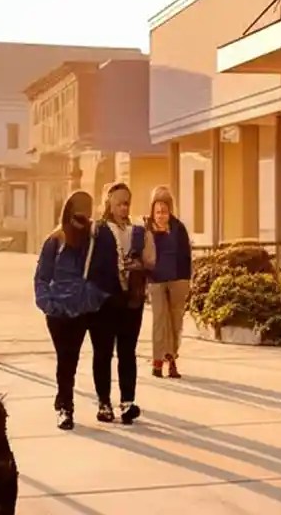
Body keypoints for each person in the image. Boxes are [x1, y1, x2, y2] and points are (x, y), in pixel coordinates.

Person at [33, 190, 113, 430]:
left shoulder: (94, 242)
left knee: (76, 357)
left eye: (85, 218)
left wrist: (90, 299)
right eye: (76, 217)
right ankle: (64, 406)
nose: (81, 223)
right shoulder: (54, 242)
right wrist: (49, 304)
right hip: (58, 313)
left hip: (82, 309)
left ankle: (89, 402)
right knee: (65, 360)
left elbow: (104, 275)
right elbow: (41, 278)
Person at [88, 182, 154, 425]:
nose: (123, 207)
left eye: (126, 202)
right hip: (104, 300)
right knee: (103, 353)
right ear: (108, 203)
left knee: (127, 352)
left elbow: (150, 262)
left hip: (131, 300)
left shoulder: (137, 231)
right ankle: (103, 402)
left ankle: (127, 401)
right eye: (118, 203)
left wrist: (141, 266)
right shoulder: (98, 229)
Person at [145, 186, 192, 379]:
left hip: (177, 279)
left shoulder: (178, 228)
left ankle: (171, 359)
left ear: (170, 210)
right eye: (157, 212)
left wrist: (188, 279)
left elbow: (186, 255)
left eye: (164, 211)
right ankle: (157, 361)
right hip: (156, 280)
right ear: (152, 211)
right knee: (159, 321)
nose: (161, 216)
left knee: (175, 322)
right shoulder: (147, 230)